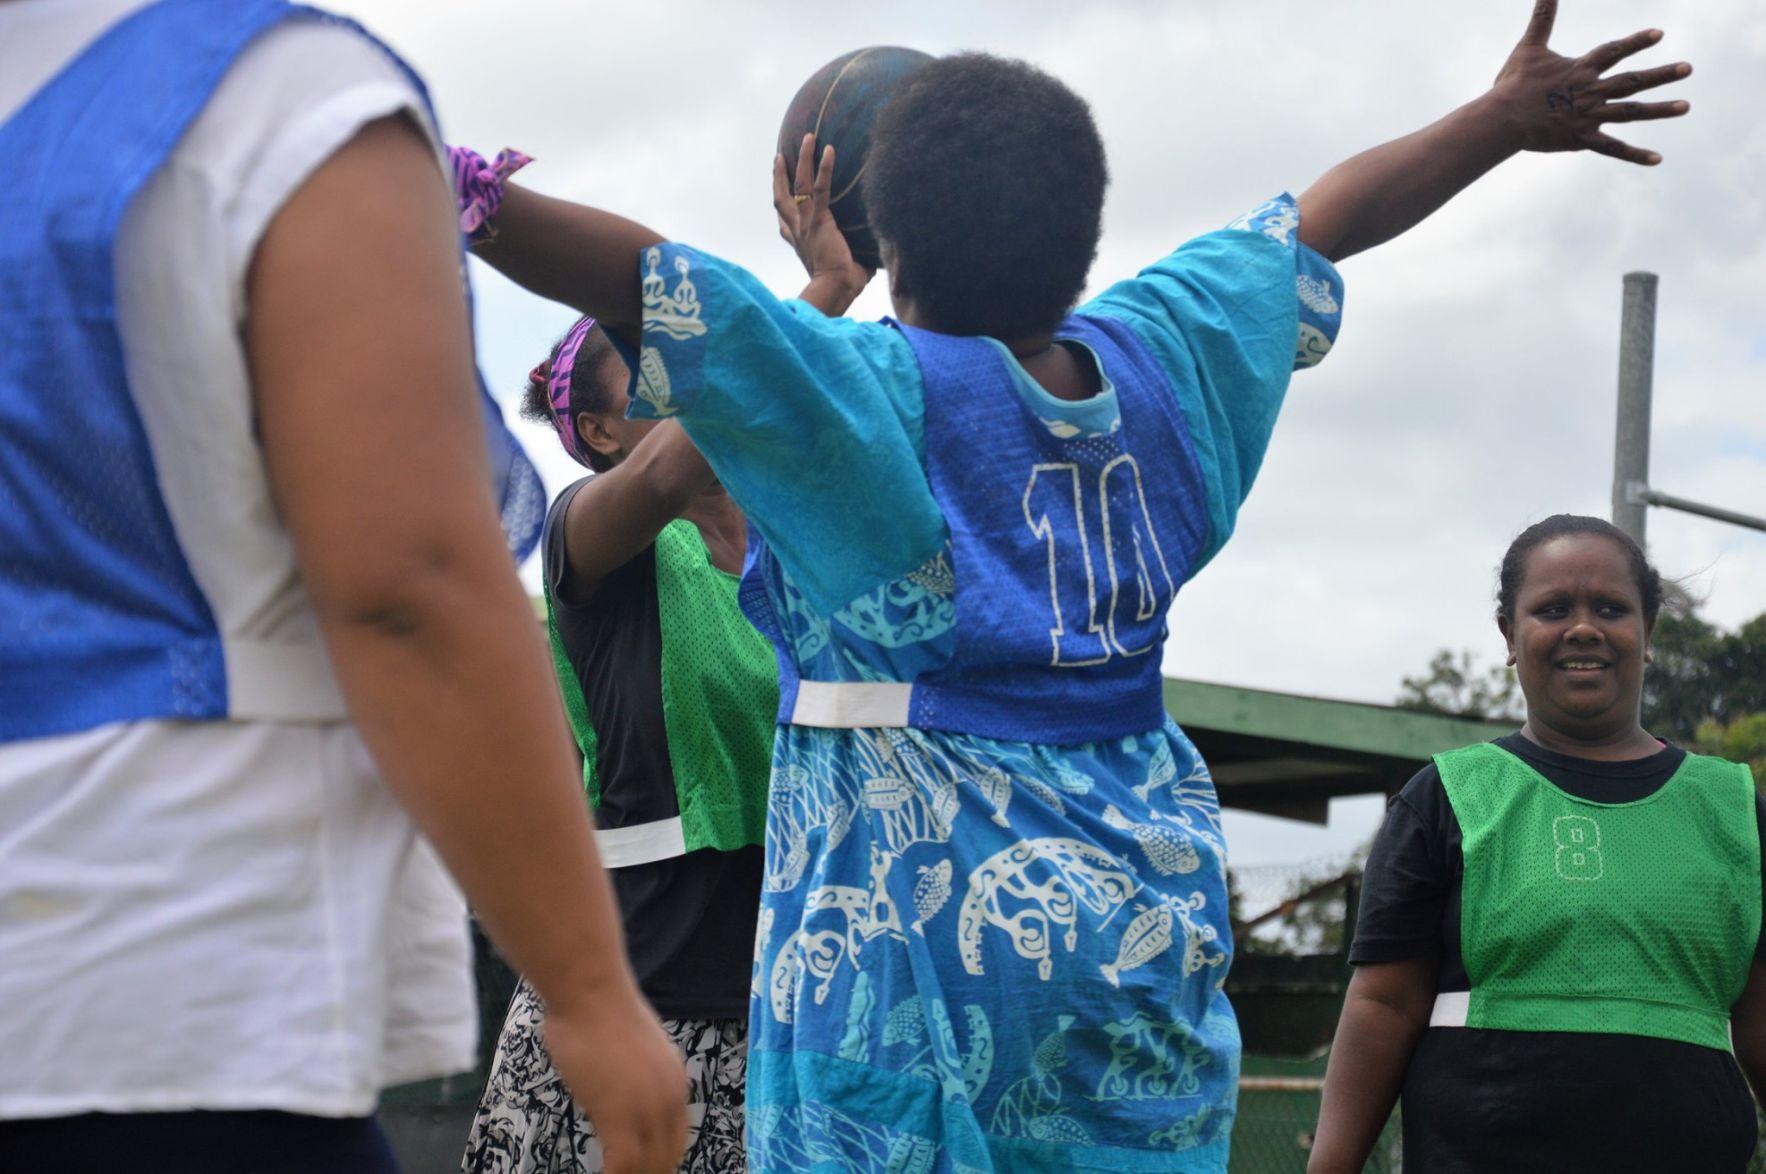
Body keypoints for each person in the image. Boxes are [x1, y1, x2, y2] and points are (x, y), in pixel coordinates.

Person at [463, 3, 1692, 1167]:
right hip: (1132, 948)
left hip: (907, 983)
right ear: (1085, 239)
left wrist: (460, 187)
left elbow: (645, 275)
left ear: (888, 243)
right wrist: (1494, 121)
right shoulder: (1163, 362)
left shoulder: (865, 402)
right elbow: (1321, 220)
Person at [0, 2, 684, 1171]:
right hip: (166, 973)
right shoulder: (271, 93)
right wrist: (588, 994)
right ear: (602, 431)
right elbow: (409, 585)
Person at [462, 183, 872, 1173]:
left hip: (791, 1011)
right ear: (601, 433)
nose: (694, 379)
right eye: (654, 373)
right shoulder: (592, 538)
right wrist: (825, 289)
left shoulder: (796, 547)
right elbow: (667, 473)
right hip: (640, 1003)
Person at [1311, 515, 1766, 1174]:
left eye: (1610, 608)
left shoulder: (1734, 811)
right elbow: (1384, 1006)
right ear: (1509, 636)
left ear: (1648, 632)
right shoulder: (1446, 798)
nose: (1583, 628)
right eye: (1553, 609)